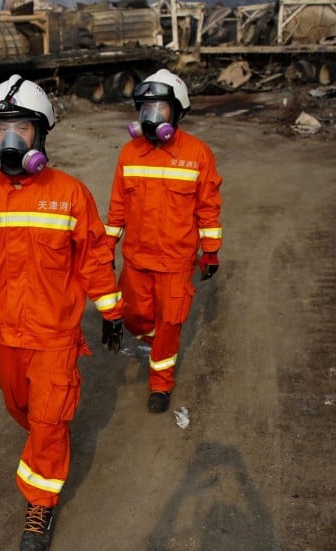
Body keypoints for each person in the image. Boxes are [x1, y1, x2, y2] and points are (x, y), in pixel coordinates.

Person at [0, 74, 124, 551]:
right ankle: (48, 443)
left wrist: (112, 311)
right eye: (2, 131)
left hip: (55, 336)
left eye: (22, 128)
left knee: (46, 419)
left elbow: (95, 260)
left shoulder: (70, 194)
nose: (11, 140)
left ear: (41, 135)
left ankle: (40, 504)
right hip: (5, 335)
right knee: (20, 408)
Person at [104, 68, 223, 414]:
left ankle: (161, 384)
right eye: (146, 109)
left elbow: (208, 207)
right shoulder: (129, 153)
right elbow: (117, 207)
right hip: (137, 259)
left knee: (169, 324)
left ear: (178, 112)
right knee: (136, 319)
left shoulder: (198, 154)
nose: (151, 117)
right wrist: (106, 247)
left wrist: (211, 251)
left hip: (175, 262)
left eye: (160, 109)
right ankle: (157, 343)